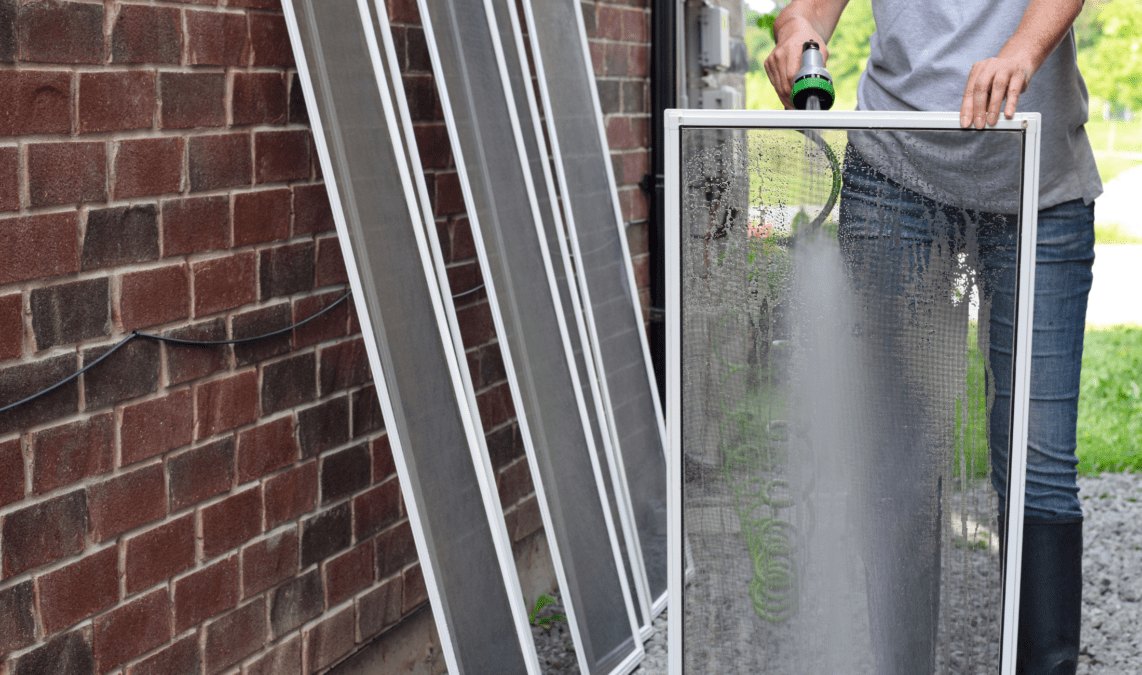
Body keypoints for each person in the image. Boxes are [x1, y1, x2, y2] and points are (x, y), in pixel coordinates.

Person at [764, 1, 1100, 674]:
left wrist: (1021, 52)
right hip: (895, 175)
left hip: (1038, 184)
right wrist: (796, 32)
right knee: (899, 460)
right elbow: (805, 13)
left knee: (1038, 466)